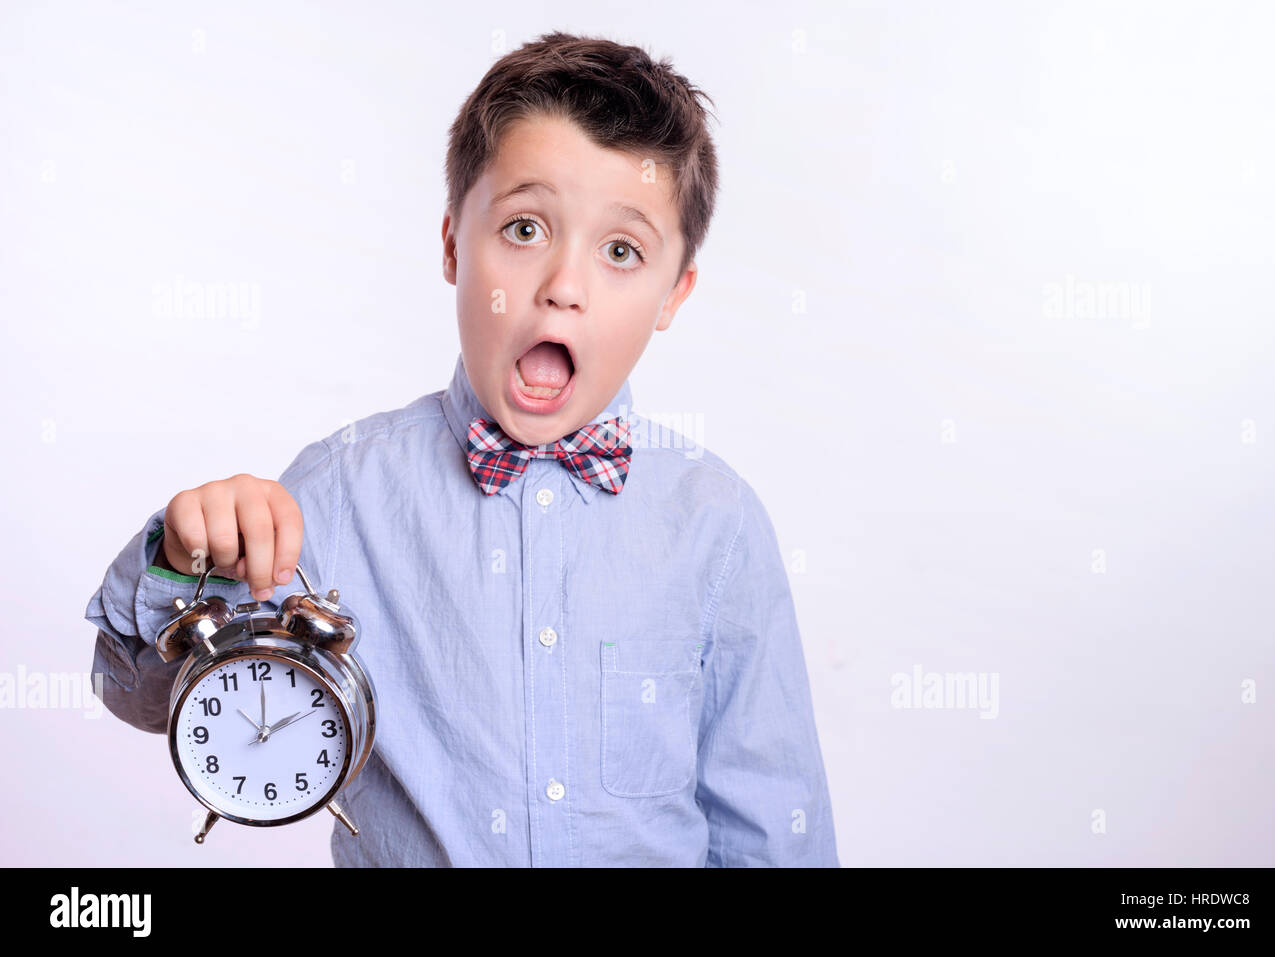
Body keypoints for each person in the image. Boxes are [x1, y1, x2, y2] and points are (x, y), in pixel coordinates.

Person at [85, 30, 838, 867]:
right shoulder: (336, 496)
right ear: (452, 244)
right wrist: (186, 556)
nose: (564, 285)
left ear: (673, 294)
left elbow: (773, 829)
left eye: (622, 251)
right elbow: (141, 696)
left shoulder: (719, 527)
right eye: (523, 228)